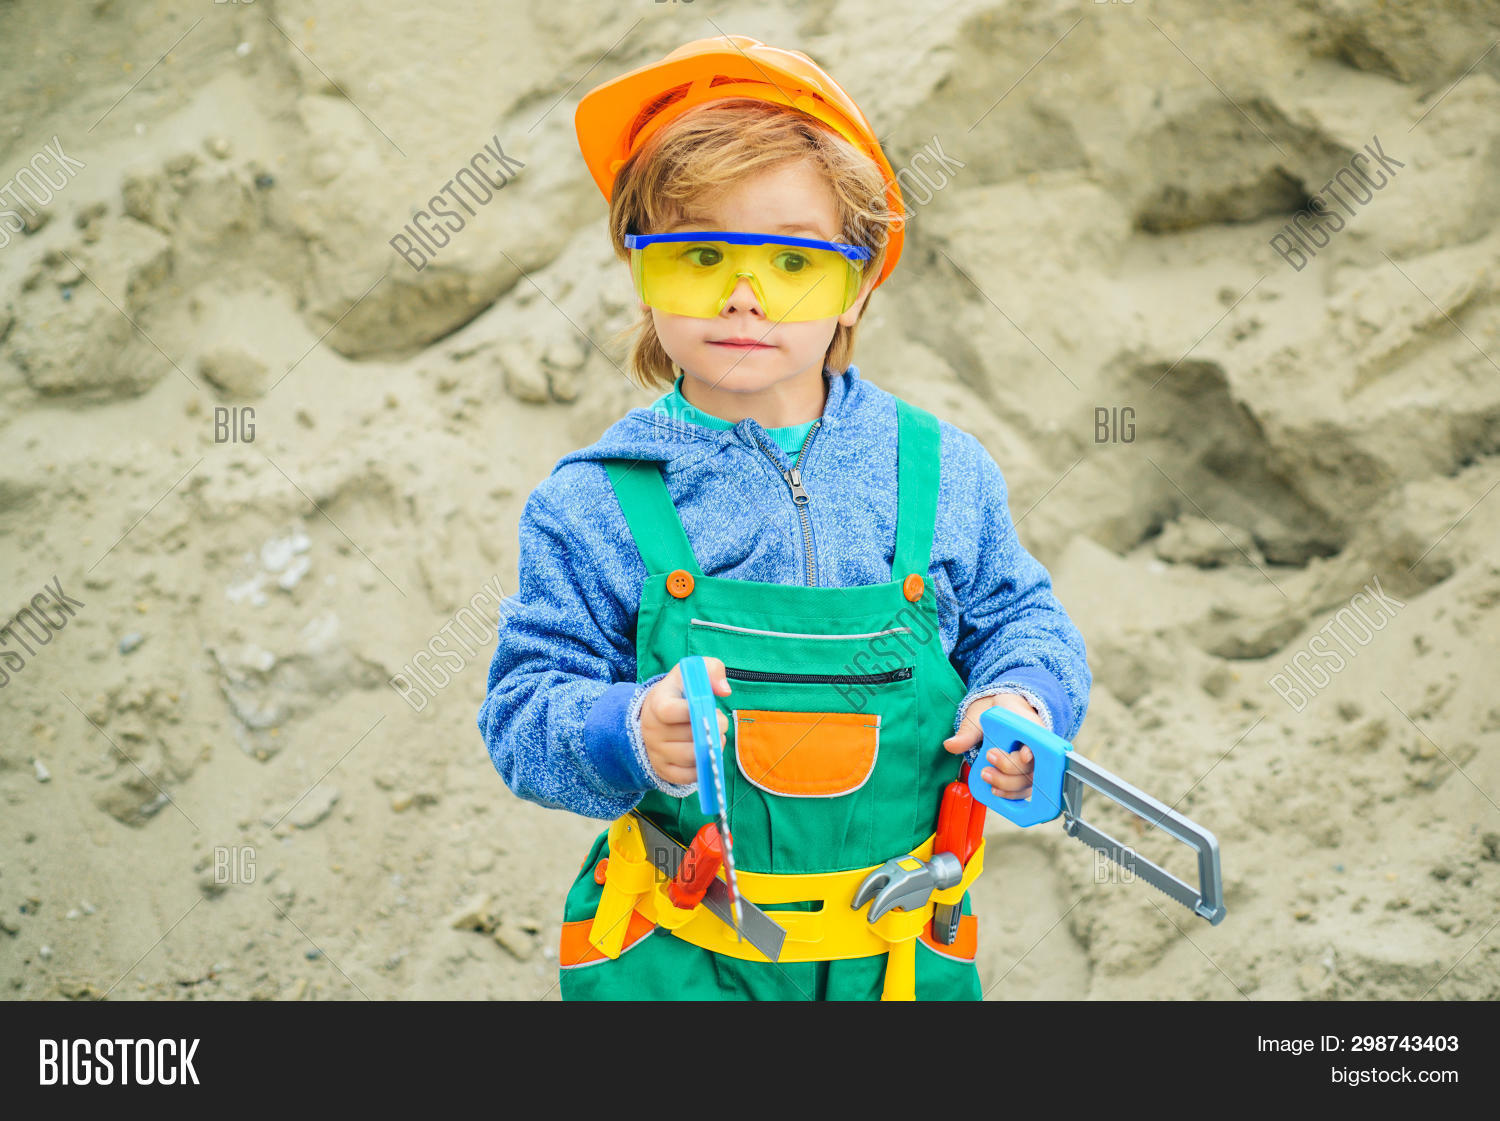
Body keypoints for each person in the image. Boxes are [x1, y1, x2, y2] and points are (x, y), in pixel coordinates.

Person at [478, 36, 1091, 1000]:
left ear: (857, 281)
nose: (744, 297)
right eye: (698, 256)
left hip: (897, 954)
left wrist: (1021, 700)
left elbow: (1022, 621)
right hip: (682, 952)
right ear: (640, 271)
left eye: (794, 264)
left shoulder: (943, 474)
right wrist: (625, 728)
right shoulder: (593, 499)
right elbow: (520, 713)